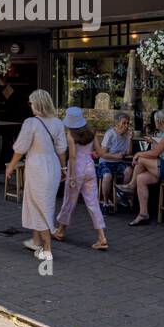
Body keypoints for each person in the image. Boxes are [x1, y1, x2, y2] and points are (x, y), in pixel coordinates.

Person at [5, 89, 67, 264]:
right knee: (40, 202)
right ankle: (36, 240)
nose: (30, 105)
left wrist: (10, 166)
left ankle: (47, 250)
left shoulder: (31, 123)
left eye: (31, 102)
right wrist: (63, 168)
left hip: (37, 167)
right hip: (52, 165)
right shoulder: (57, 123)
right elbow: (61, 149)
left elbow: (20, 148)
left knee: (41, 205)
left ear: (38, 104)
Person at [54, 107, 108, 251]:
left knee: (69, 201)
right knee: (93, 203)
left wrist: (69, 175)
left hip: (76, 170)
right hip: (90, 169)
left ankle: (60, 231)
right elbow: (100, 152)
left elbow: (72, 156)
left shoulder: (71, 135)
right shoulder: (91, 134)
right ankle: (102, 237)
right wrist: (93, 155)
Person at [96, 112, 133, 210]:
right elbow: (102, 154)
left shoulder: (126, 136)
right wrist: (115, 156)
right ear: (117, 123)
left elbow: (128, 152)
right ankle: (105, 202)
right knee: (107, 176)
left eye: (128, 123)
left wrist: (130, 139)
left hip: (118, 163)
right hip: (105, 162)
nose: (126, 126)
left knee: (129, 170)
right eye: (124, 123)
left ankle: (121, 194)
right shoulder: (110, 134)